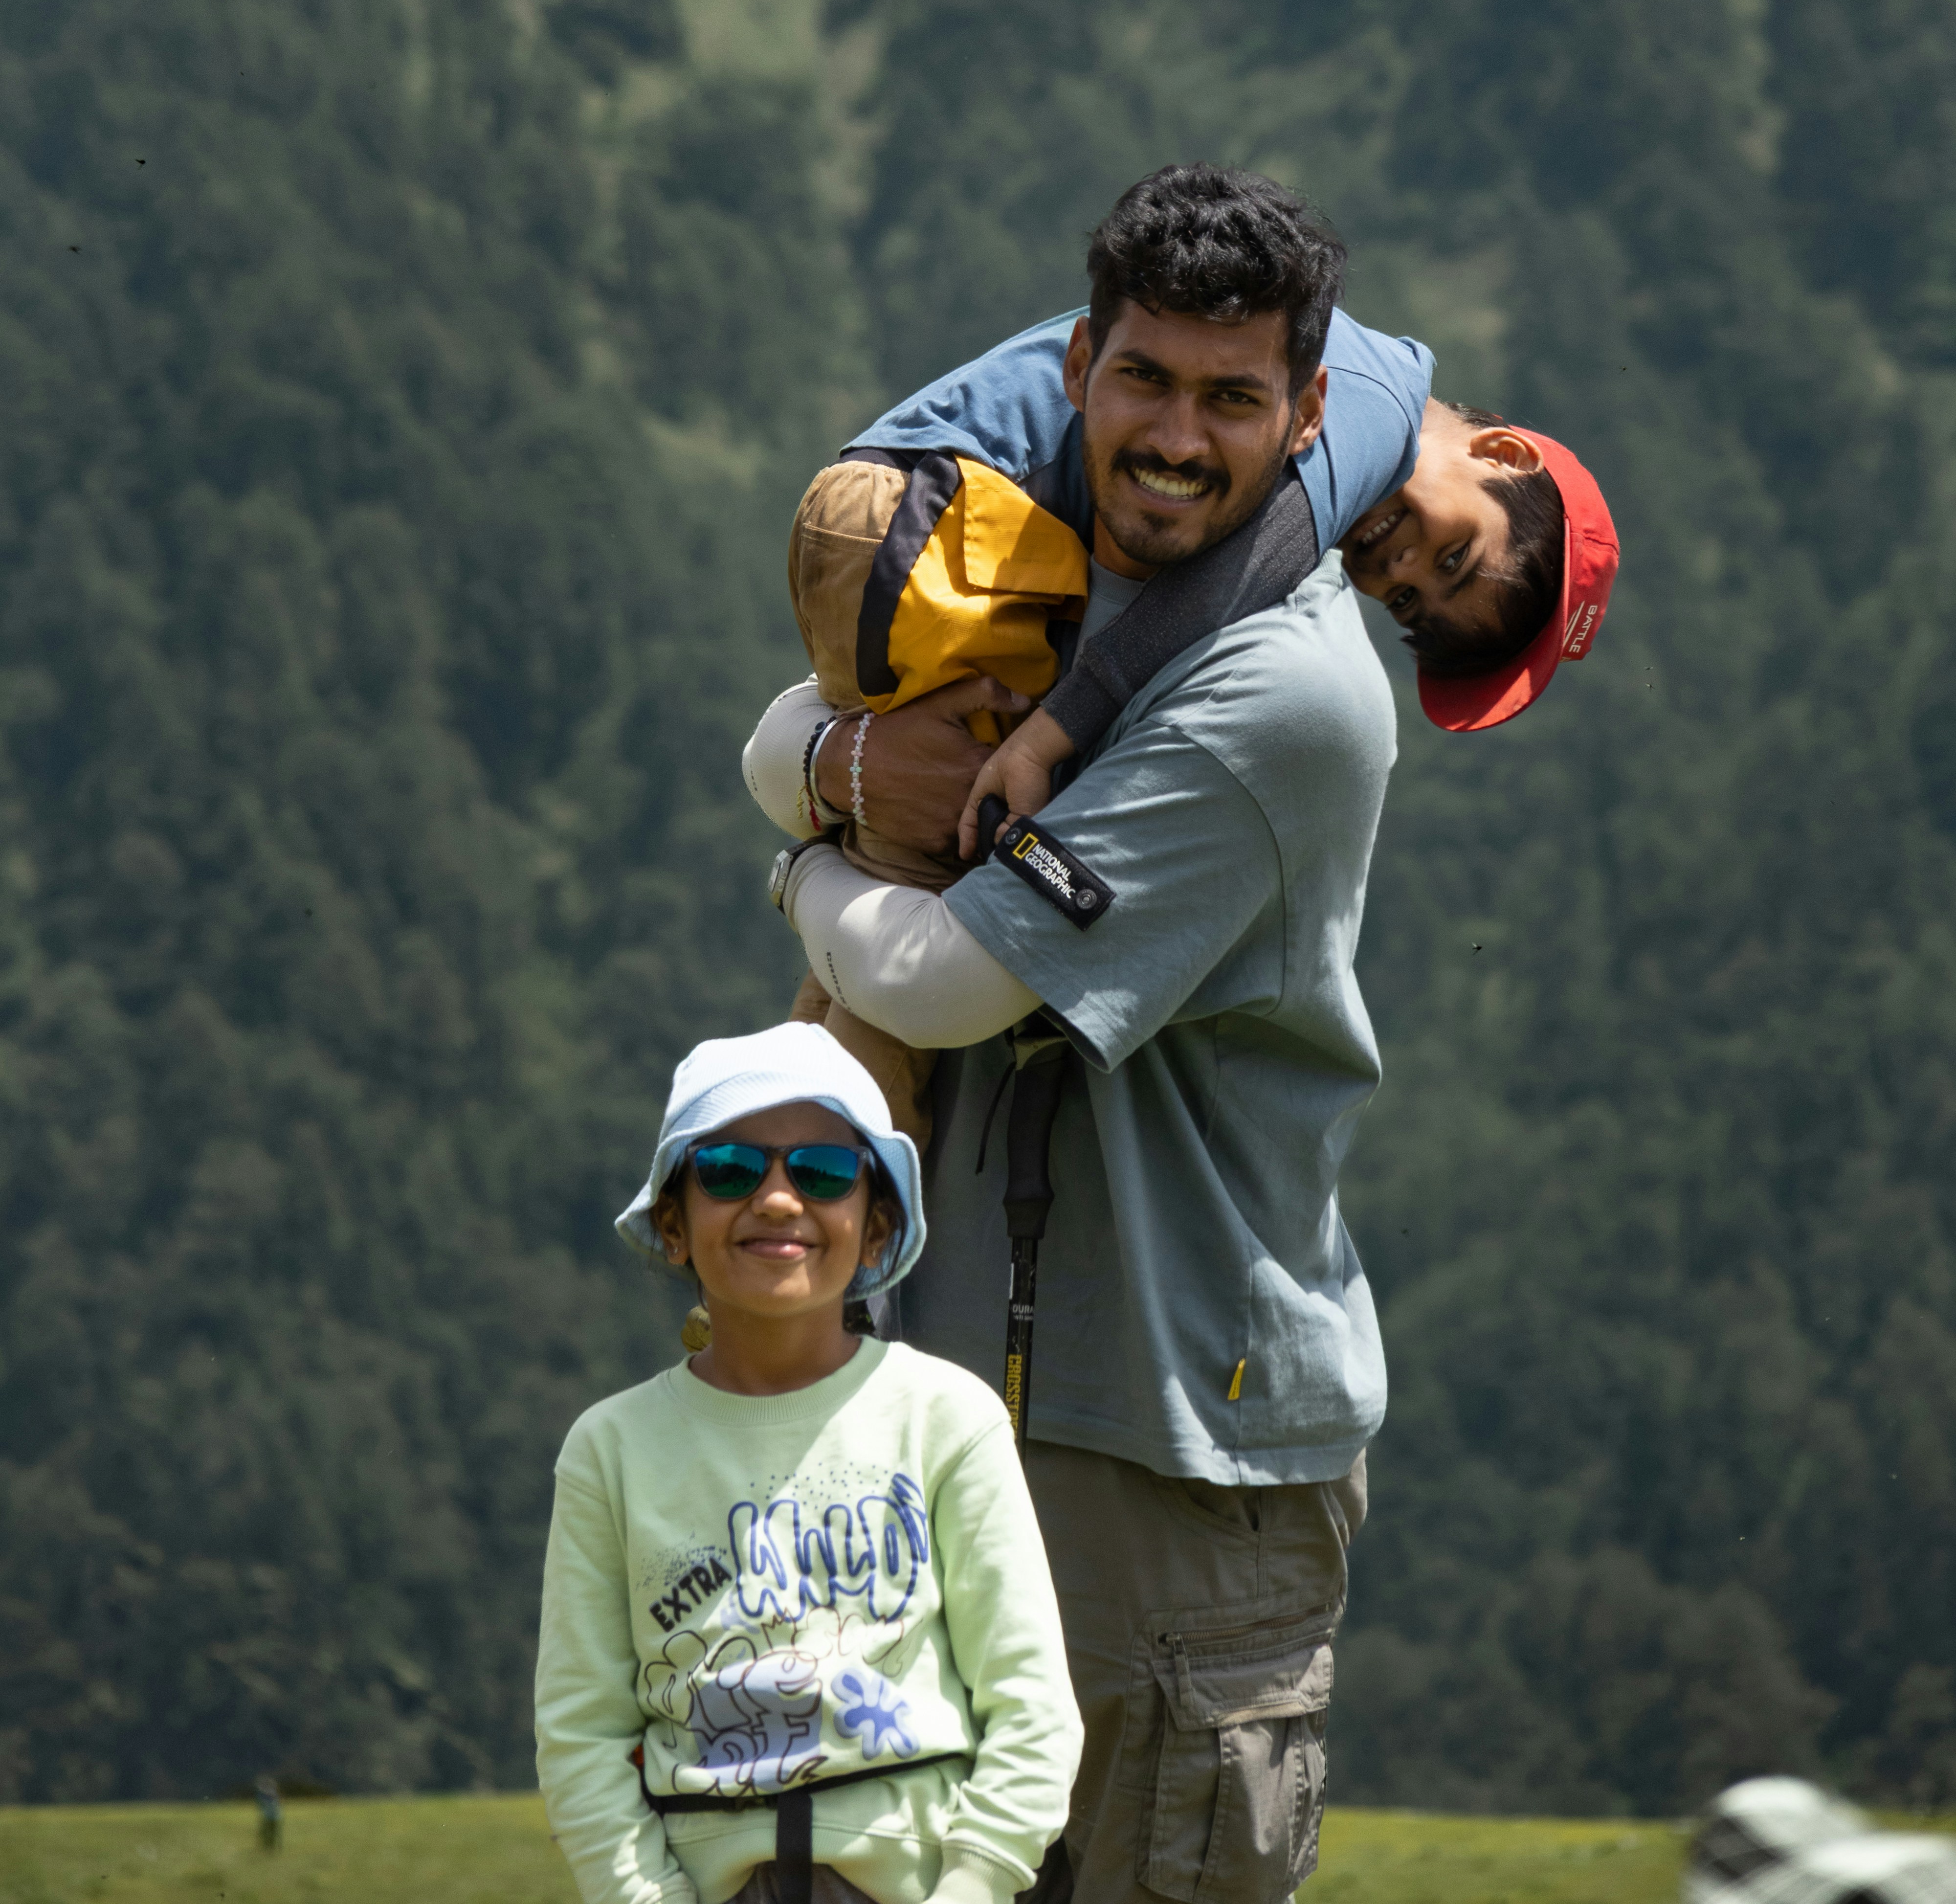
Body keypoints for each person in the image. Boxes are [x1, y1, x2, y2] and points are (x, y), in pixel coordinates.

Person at [743, 167, 1616, 1904]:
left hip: (1163, 1480)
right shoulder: (1079, 592)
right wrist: (845, 781)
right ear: (1082, 368)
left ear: (1306, 417)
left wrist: (802, 859)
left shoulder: (1278, 695)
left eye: (1233, 401)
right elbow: (800, 729)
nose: (1175, 438)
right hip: (949, 1421)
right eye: (1146, 383)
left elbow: (946, 981)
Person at [756, 164, 1616, 1138]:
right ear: (1499, 455)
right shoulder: (1361, 414)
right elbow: (1242, 568)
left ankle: (822, 1230)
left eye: (1409, 605)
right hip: (912, 520)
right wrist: (1033, 736)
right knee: (902, 895)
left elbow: (800, 760)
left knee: (886, 933)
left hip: (880, 518)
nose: (1397, 569)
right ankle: (828, 1228)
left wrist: (825, 798)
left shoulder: (1280, 675)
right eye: (1454, 555)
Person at [534, 1020, 1082, 1904]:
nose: (779, 1200)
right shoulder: (612, 1451)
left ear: (876, 1230)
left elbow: (1032, 1707)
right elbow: (581, 1736)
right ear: (674, 1225)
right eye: (729, 1171)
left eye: (824, 1173)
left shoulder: (947, 1420)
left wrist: (975, 1887)